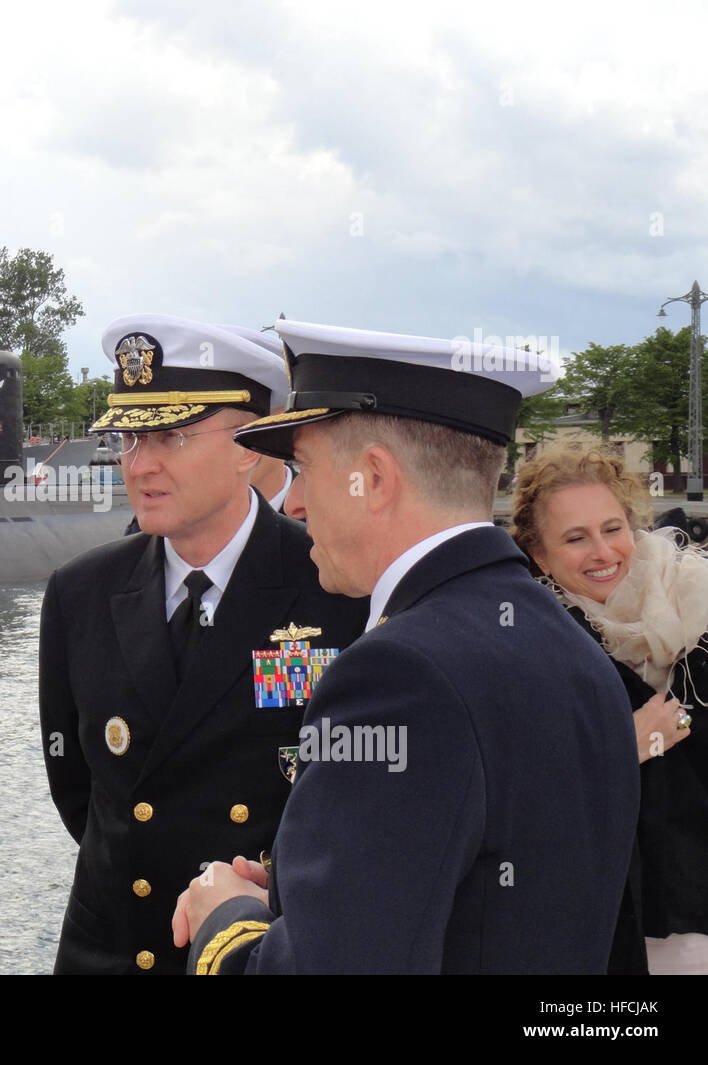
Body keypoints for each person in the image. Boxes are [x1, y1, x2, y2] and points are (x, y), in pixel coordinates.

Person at [173, 320, 640, 974]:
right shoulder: (571, 643)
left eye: (303, 470)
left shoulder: (396, 672)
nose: (295, 502)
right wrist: (300, 895)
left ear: (375, 477)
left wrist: (225, 917)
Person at [40, 314, 368, 974]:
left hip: (258, 953)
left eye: (171, 435)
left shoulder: (338, 588)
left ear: (250, 445)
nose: (141, 463)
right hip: (111, 951)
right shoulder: (81, 593)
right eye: (131, 436)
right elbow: (80, 790)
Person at [511, 444, 708, 975]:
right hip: (604, 923)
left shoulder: (699, 603)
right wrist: (620, 750)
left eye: (612, 528)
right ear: (539, 554)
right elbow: (506, 797)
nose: (603, 552)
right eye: (575, 538)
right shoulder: (525, 644)